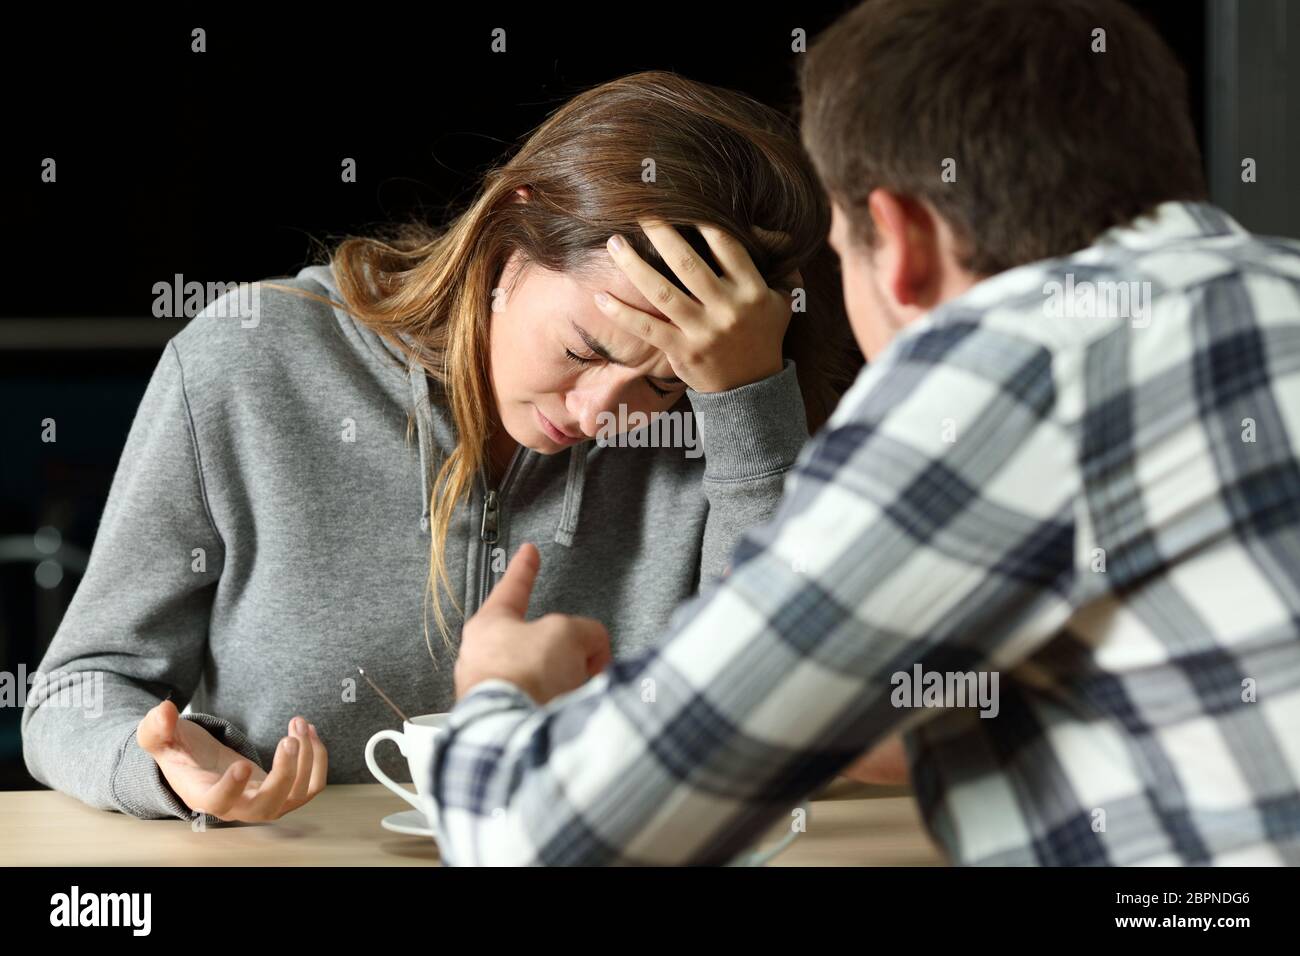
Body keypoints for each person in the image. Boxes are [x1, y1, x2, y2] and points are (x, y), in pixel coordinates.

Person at [427, 0, 1300, 865]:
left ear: (899, 238)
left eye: (842, 255)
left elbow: (539, 839)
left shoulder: (1001, 373)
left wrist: (498, 687)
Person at [21, 71, 866, 825]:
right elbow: (74, 690)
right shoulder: (250, 362)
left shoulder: (734, 416)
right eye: (584, 349)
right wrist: (163, 770)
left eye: (666, 382)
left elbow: (784, 722)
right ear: (511, 235)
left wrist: (745, 401)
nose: (606, 409)